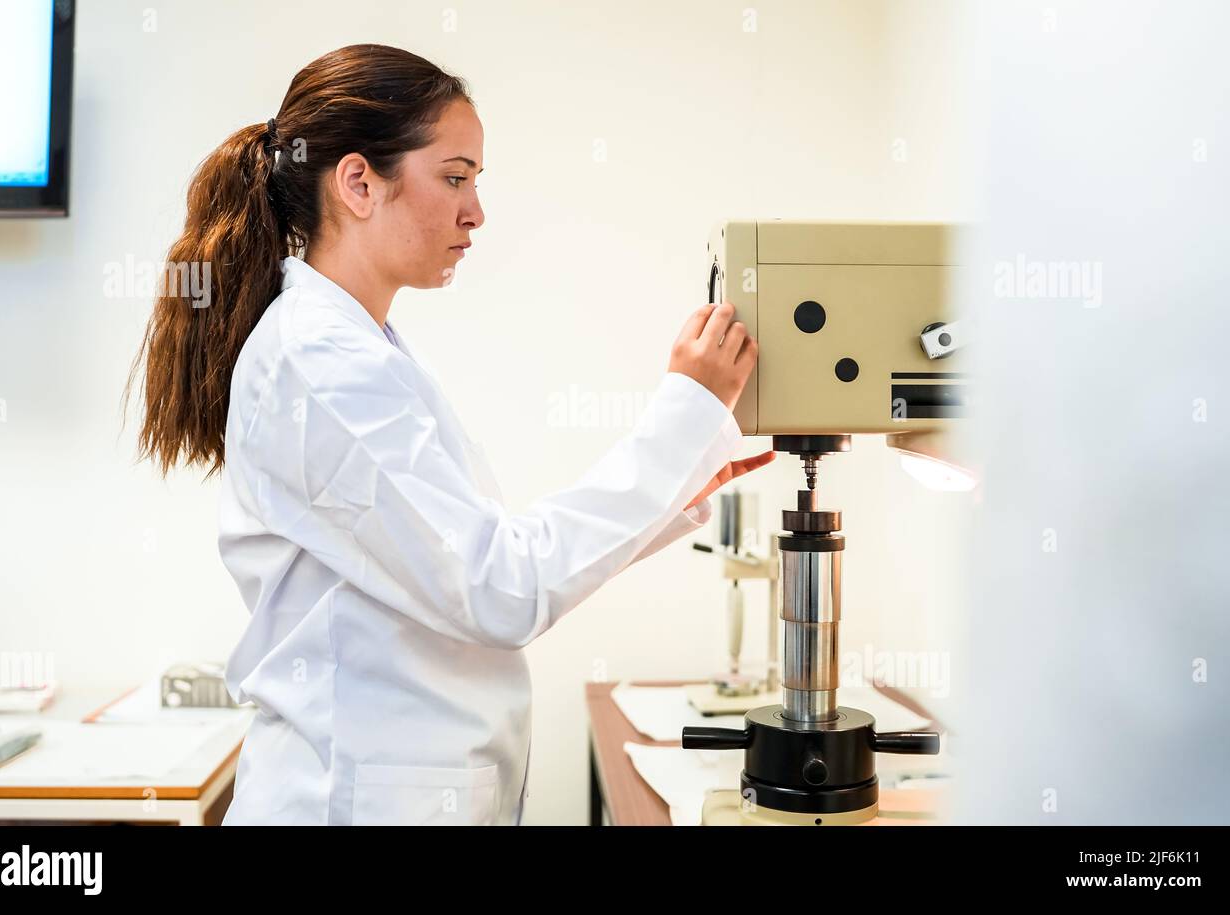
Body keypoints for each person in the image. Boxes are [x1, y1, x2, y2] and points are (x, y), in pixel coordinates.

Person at [126, 44, 771, 825]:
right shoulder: (319, 362)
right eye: (455, 177)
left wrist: (670, 488)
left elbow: (480, 565)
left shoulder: (358, 348)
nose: (476, 212)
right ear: (360, 183)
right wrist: (680, 418)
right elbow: (499, 588)